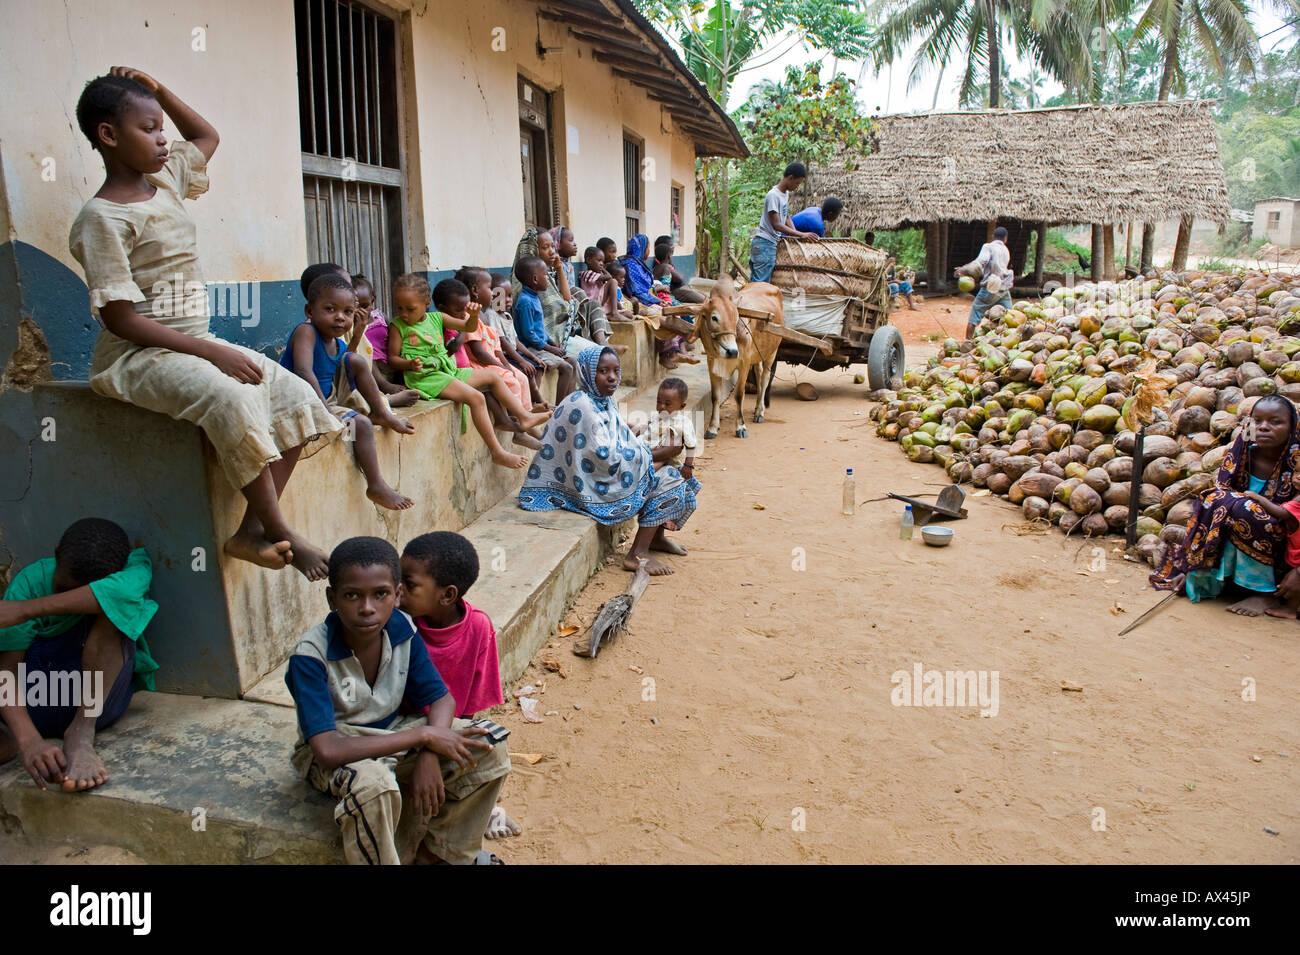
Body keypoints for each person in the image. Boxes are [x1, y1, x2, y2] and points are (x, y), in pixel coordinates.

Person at [68, 68, 342, 580]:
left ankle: (250, 531)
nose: (162, 138)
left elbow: (206, 137)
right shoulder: (101, 219)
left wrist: (158, 90)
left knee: (296, 398)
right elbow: (120, 319)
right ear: (108, 136)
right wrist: (212, 353)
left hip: (194, 343)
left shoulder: (164, 180)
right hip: (137, 357)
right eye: (147, 127)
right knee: (233, 398)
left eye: (160, 126)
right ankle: (280, 529)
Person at [284, 537, 510, 865]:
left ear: (397, 594)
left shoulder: (402, 628)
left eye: (380, 594)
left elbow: (442, 699)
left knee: (489, 744)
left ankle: (439, 855)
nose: (367, 608)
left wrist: (431, 753)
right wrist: (423, 736)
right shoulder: (311, 656)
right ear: (332, 598)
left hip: (392, 733)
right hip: (339, 750)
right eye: (351, 596)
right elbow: (327, 750)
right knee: (374, 787)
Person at [0, 518, 158, 793]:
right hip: (39, 698)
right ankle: (12, 737)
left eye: (79, 595)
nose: (68, 602)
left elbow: (117, 593)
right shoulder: (32, 580)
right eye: (62, 588)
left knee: (114, 612)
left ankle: (80, 734)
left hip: (97, 704)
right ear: (56, 556)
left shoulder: (134, 569)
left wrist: (26, 609)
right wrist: (30, 741)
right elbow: (7, 670)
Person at [520, 346, 700, 576]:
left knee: (672, 473)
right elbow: (604, 457)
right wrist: (653, 456)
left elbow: (618, 432)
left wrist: (642, 441)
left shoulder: (601, 400)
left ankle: (657, 538)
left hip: (598, 472)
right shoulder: (582, 405)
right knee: (670, 478)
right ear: (587, 372)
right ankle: (637, 554)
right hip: (591, 482)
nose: (612, 377)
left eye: (616, 370)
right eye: (603, 371)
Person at [400, 531, 521, 841]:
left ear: (447, 595)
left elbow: (469, 708)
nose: (396, 591)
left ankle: (453, 836)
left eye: (409, 585)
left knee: (487, 744)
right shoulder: (397, 623)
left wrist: (441, 748)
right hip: (398, 730)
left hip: (445, 727)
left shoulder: (478, 627)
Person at [1152, 395, 1300, 615]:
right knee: (1213, 500)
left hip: (1287, 554)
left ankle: (1266, 593)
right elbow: (1218, 503)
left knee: (1244, 508)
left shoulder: (1298, 463)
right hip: (1239, 536)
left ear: (1292, 427)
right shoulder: (1243, 449)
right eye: (1257, 421)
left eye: (1275, 422)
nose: (1264, 427)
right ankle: (1209, 575)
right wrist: (1193, 567)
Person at [281, 273, 416, 509]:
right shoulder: (307, 331)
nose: (340, 318)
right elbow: (303, 371)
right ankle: (376, 485)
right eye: (330, 309)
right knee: (361, 425)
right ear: (309, 311)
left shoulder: (336, 340)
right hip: (302, 401)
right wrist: (325, 411)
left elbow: (345, 361)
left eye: (347, 312)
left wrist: (356, 335)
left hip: (329, 397)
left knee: (356, 360)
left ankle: (382, 413)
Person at [386, 273, 548, 469]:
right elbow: (393, 359)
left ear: (426, 302)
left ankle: (524, 416)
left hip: (447, 370)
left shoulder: (437, 318)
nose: (403, 313)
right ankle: (497, 452)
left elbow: (467, 326)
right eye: (399, 308)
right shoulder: (398, 326)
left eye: (410, 309)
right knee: (476, 398)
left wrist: (472, 315)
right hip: (426, 378)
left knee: (494, 375)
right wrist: (408, 365)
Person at [512, 253, 579, 401]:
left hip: (542, 346)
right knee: (566, 368)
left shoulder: (534, 298)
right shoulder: (525, 302)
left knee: (573, 361)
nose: (548, 279)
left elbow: (540, 329)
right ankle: (560, 408)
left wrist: (551, 342)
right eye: (545, 275)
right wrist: (550, 348)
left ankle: (571, 403)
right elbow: (529, 334)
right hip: (532, 349)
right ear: (535, 279)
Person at [487, 272, 551, 409]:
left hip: (515, 353)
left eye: (510, 296)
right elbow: (503, 342)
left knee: (537, 366)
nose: (508, 300)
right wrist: (522, 361)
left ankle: (535, 400)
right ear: (491, 297)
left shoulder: (507, 316)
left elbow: (516, 342)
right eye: (503, 297)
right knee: (525, 371)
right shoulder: (492, 315)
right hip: (505, 356)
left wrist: (533, 357)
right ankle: (534, 403)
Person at [749, 162, 821, 283]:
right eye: (797, 183)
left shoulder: (785, 194)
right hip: (765, 243)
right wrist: (801, 234)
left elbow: (786, 217)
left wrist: (796, 233)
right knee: (760, 284)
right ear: (790, 177)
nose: (797, 187)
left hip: (770, 244)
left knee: (762, 283)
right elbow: (776, 224)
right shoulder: (773, 195)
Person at [955, 225, 1014, 340]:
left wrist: (964, 270)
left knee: (975, 316)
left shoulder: (988, 247)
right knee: (1010, 316)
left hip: (990, 287)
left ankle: (968, 342)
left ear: (993, 236)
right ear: (1005, 239)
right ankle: (1009, 340)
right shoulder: (1006, 250)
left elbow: (980, 262)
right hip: (1003, 288)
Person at [579, 246, 633, 321]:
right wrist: (604, 269)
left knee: (629, 315)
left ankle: (608, 316)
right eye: (599, 261)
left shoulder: (598, 275)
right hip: (592, 306)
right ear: (589, 260)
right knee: (613, 282)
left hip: (600, 304)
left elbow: (608, 278)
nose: (601, 264)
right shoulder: (586, 274)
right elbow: (609, 277)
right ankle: (614, 313)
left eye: (603, 262)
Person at [652, 237, 704, 305]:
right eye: (671, 245)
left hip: (681, 288)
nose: (673, 247)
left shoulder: (665, 262)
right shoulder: (663, 264)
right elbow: (679, 278)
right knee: (704, 300)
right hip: (675, 290)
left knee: (707, 297)